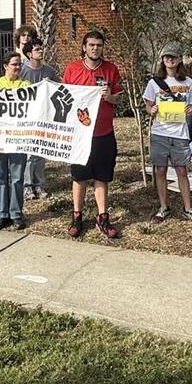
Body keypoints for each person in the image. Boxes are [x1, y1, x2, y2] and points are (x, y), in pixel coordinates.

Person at [61, 30, 123, 239]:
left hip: (103, 132)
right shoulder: (72, 69)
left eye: (99, 45)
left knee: (101, 176)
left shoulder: (111, 70)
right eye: (91, 45)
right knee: (79, 176)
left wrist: (110, 97)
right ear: (84, 47)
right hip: (80, 134)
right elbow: (64, 98)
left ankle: (102, 216)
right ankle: (77, 215)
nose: (95, 48)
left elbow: (119, 99)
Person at [143, 43, 192, 223]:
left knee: (181, 170)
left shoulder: (188, 82)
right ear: (162, 60)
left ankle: (188, 208)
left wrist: (191, 109)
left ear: (179, 60)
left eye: (173, 57)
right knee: (160, 170)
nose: (169, 60)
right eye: (166, 57)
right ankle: (163, 207)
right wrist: (151, 110)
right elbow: (148, 105)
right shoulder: (154, 82)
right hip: (159, 132)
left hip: (180, 133)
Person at [0, 52, 30, 230]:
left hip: (18, 138)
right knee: (0, 178)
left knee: (17, 178)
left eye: (19, 64)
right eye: (14, 64)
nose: (18, 67)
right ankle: (2, 214)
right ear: (5, 66)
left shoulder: (26, 85)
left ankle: (16, 214)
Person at [19, 39, 59, 199]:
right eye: (37, 49)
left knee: (40, 152)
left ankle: (39, 185)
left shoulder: (49, 71)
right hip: (27, 118)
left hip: (44, 117)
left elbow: (59, 89)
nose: (41, 51)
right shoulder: (21, 71)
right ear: (29, 54)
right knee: (29, 154)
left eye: (41, 49)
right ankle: (27, 186)